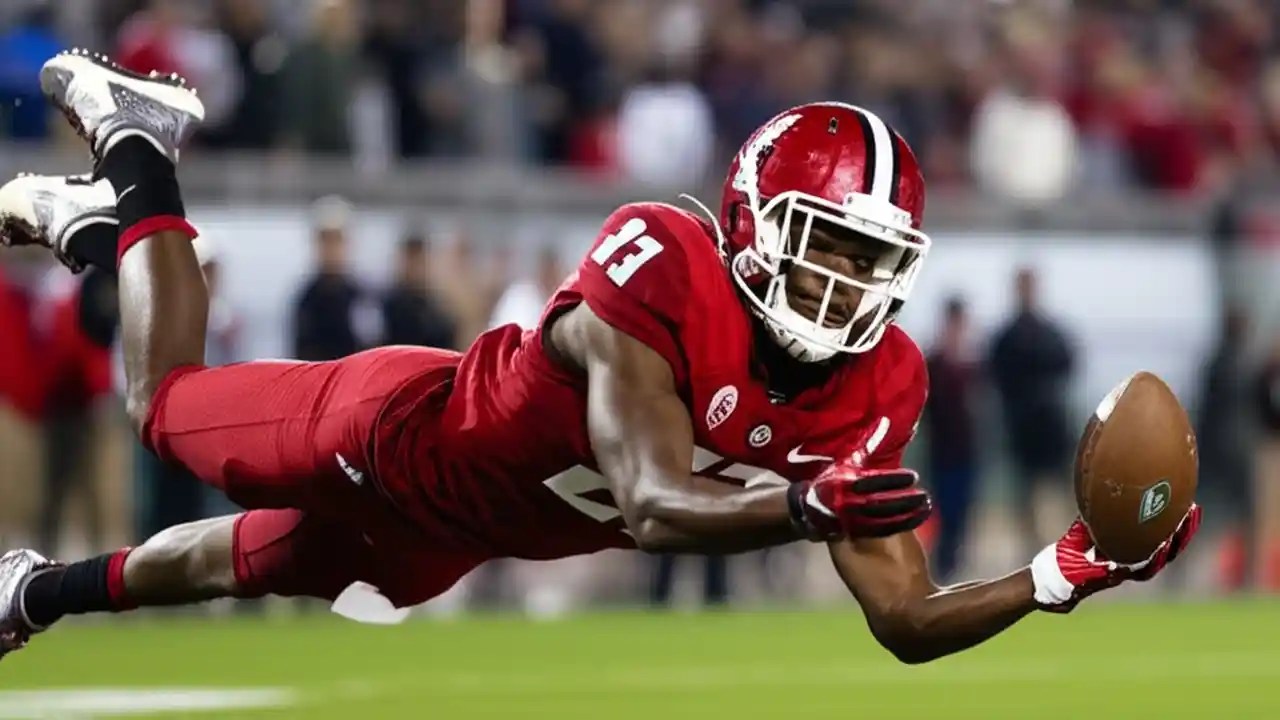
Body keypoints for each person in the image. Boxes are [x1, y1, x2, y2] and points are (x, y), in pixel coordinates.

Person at [0, 52, 1199, 663]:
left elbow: (902, 616)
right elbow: (651, 499)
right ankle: (134, 146)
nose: (842, 285)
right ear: (749, 220)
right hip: (399, 428)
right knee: (164, 409)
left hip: (463, 532)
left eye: (867, 258)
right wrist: (799, 503)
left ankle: (29, 592)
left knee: (240, 565)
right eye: (821, 244)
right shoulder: (663, 258)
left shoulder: (876, 382)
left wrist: (1060, 574)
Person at [988, 267, 1076, 556]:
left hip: (1052, 431)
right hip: (1023, 432)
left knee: (1064, 500)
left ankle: (1071, 555)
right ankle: (1035, 558)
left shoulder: (1050, 334)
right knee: (1026, 505)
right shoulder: (1007, 337)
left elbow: (1067, 367)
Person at [923, 297, 980, 583]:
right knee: (942, 514)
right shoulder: (934, 363)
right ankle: (939, 570)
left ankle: (954, 568)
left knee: (962, 515)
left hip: (966, 453)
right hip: (942, 453)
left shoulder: (972, 365)